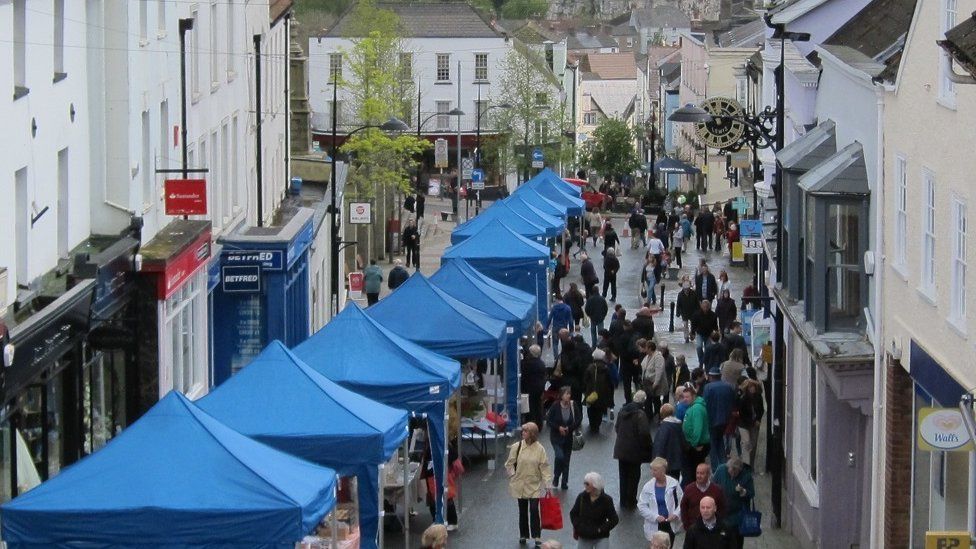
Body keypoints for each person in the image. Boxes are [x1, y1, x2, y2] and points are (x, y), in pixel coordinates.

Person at [505, 422, 553, 547]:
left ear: (532, 434)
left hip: (534, 485)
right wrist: (512, 475)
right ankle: (523, 535)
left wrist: (547, 484)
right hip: (520, 484)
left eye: (525, 431)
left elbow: (544, 467)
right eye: (523, 431)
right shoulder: (517, 446)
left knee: (533, 509)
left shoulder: (540, 449)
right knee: (522, 510)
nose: (523, 433)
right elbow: (509, 463)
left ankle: (537, 536)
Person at [613, 389, 653, 508]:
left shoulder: (622, 411)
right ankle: (631, 500)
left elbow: (617, 428)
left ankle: (623, 499)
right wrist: (648, 446)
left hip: (621, 449)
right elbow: (644, 433)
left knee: (623, 475)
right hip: (635, 451)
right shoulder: (640, 414)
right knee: (634, 476)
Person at [637, 457, 683, 545]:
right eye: (652, 470)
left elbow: (682, 501)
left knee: (668, 545)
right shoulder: (648, 486)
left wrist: (675, 514)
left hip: (669, 523)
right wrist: (655, 517)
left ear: (663, 470)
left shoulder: (674, 484)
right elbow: (641, 506)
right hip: (655, 524)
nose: (653, 473)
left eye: (655, 470)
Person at [713, 457, 755, 549]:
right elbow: (712, 486)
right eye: (730, 472)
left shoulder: (746, 475)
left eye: (735, 473)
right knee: (722, 541)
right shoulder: (721, 470)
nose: (732, 475)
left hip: (738, 516)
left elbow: (751, 493)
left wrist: (743, 491)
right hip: (722, 515)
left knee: (736, 543)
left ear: (740, 470)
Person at [569, 472, 619, 549]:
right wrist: (578, 526)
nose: (585, 486)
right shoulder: (581, 497)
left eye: (587, 484)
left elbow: (614, 519)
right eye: (584, 483)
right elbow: (573, 514)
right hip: (584, 536)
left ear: (595, 485)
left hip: (601, 537)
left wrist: (601, 529)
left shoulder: (607, 500)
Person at [546, 387, 582, 490]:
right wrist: (558, 428)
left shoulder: (573, 405)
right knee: (560, 456)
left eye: (569, 394)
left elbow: (579, 418)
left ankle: (564, 481)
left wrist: (570, 428)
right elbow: (549, 420)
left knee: (566, 459)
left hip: (568, 437)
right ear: (561, 395)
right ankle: (556, 476)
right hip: (556, 437)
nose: (568, 396)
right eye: (566, 394)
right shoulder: (555, 406)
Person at [702, 368, 737, 471]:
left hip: (712, 419)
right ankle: (723, 465)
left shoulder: (708, 387)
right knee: (720, 441)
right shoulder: (728, 387)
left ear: (711, 376)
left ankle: (715, 468)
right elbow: (733, 402)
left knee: (712, 443)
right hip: (725, 420)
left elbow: (705, 403)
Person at [679, 463, 727, 532]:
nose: (699, 476)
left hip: (713, 529)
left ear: (708, 475)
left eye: (702, 473)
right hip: (694, 529)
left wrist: (719, 525)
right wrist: (687, 526)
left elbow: (722, 509)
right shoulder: (689, 489)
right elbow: (683, 508)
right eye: (697, 473)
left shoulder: (717, 490)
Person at [680, 387, 710, 486]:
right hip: (694, 445)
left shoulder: (697, 408)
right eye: (683, 397)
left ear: (694, 396)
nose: (685, 399)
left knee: (692, 473)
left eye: (687, 397)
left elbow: (698, 429)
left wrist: (693, 445)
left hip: (696, 446)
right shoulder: (693, 407)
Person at [584, 349, 614, 433]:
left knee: (591, 408)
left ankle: (592, 424)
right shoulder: (606, 368)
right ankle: (597, 424)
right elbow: (610, 381)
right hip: (603, 392)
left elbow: (585, 379)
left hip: (591, 391)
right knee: (599, 409)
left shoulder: (590, 367)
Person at [736, 379, 764, 467]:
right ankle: (746, 465)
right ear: (747, 388)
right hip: (744, 424)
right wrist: (752, 421)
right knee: (747, 443)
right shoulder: (743, 398)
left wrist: (758, 420)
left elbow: (761, 410)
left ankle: (751, 464)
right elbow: (741, 413)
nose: (752, 389)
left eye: (754, 387)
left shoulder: (758, 397)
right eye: (750, 387)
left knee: (754, 444)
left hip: (755, 423)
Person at [653, 404, 684, 481]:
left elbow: (660, 445)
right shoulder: (678, 425)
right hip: (677, 461)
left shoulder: (664, 427)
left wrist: (656, 460)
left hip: (667, 462)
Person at [641, 340, 668, 420]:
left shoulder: (658, 357)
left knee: (655, 400)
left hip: (654, 384)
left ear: (649, 348)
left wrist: (655, 383)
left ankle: (657, 415)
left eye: (646, 347)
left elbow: (659, 371)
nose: (644, 349)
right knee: (650, 400)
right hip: (647, 383)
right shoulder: (647, 356)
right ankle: (651, 415)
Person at [522, 345, 547, 427]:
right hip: (539, 387)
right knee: (538, 405)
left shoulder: (527, 364)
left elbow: (524, 376)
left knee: (530, 406)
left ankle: (531, 423)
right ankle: (539, 423)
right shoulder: (541, 364)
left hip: (529, 388)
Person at [546, 295, 574, 362]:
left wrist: (546, 327)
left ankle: (556, 359)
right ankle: (564, 358)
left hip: (555, 328)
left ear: (558, 300)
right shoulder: (568, 308)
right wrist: (571, 330)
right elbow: (570, 320)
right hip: (564, 328)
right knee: (564, 344)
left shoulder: (554, 308)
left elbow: (550, 318)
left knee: (555, 343)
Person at [690, 300, 718, 365]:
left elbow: (715, 326)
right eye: (704, 307)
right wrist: (692, 333)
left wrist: (716, 333)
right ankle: (701, 360)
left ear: (709, 307)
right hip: (700, 333)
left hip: (709, 335)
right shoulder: (696, 314)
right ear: (701, 306)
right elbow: (693, 325)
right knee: (699, 347)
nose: (705, 308)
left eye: (707, 307)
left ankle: (706, 361)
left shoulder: (713, 315)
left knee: (708, 349)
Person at [676, 277, 698, 344]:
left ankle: (692, 334)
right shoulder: (680, 294)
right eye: (685, 289)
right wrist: (678, 312)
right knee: (685, 325)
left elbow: (697, 303)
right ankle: (686, 337)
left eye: (687, 289)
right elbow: (678, 304)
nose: (686, 290)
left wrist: (698, 312)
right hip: (684, 312)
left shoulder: (694, 293)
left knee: (693, 324)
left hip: (693, 312)